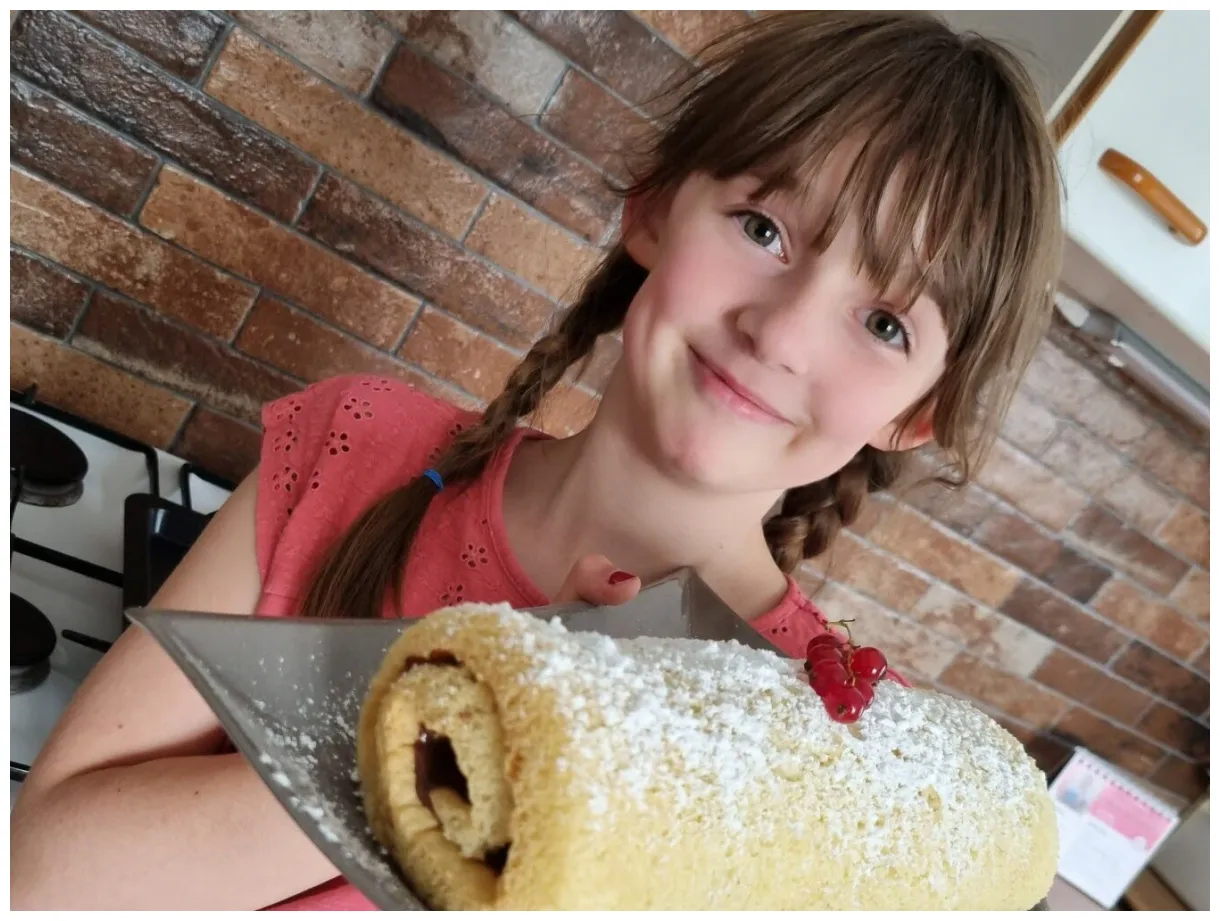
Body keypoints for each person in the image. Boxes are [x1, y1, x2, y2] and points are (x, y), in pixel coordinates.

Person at [9, 11, 1062, 911]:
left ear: (917, 414)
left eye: (883, 324)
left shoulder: (824, 748)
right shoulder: (358, 450)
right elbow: (47, 873)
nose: (779, 334)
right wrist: (503, 716)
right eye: (763, 227)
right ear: (650, 208)